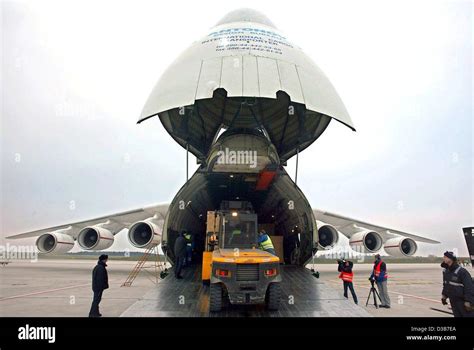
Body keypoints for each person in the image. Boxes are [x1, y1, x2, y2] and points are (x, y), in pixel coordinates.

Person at [441, 251, 474, 317]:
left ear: (450, 259)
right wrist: (444, 296)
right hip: (453, 301)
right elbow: (446, 284)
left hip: (462, 302)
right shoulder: (446, 271)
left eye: (445, 257)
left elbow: (469, 287)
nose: (443, 258)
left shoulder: (461, 272)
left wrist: (468, 301)